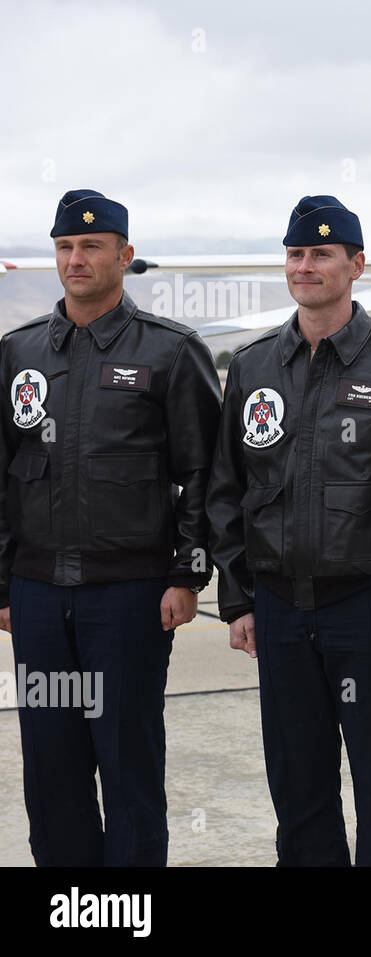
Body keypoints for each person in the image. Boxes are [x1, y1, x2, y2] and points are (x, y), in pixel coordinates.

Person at [206, 196, 371, 866]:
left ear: (356, 264)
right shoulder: (255, 365)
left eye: (322, 254)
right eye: (296, 254)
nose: (306, 266)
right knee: (299, 788)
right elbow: (226, 490)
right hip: (279, 610)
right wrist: (236, 598)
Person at [0, 189, 221, 865]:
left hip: (128, 597)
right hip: (37, 597)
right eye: (65, 246)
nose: (76, 259)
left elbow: (207, 475)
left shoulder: (172, 352)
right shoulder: (18, 353)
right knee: (52, 767)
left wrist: (187, 575)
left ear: (124, 256)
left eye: (92, 246)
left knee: (126, 763)